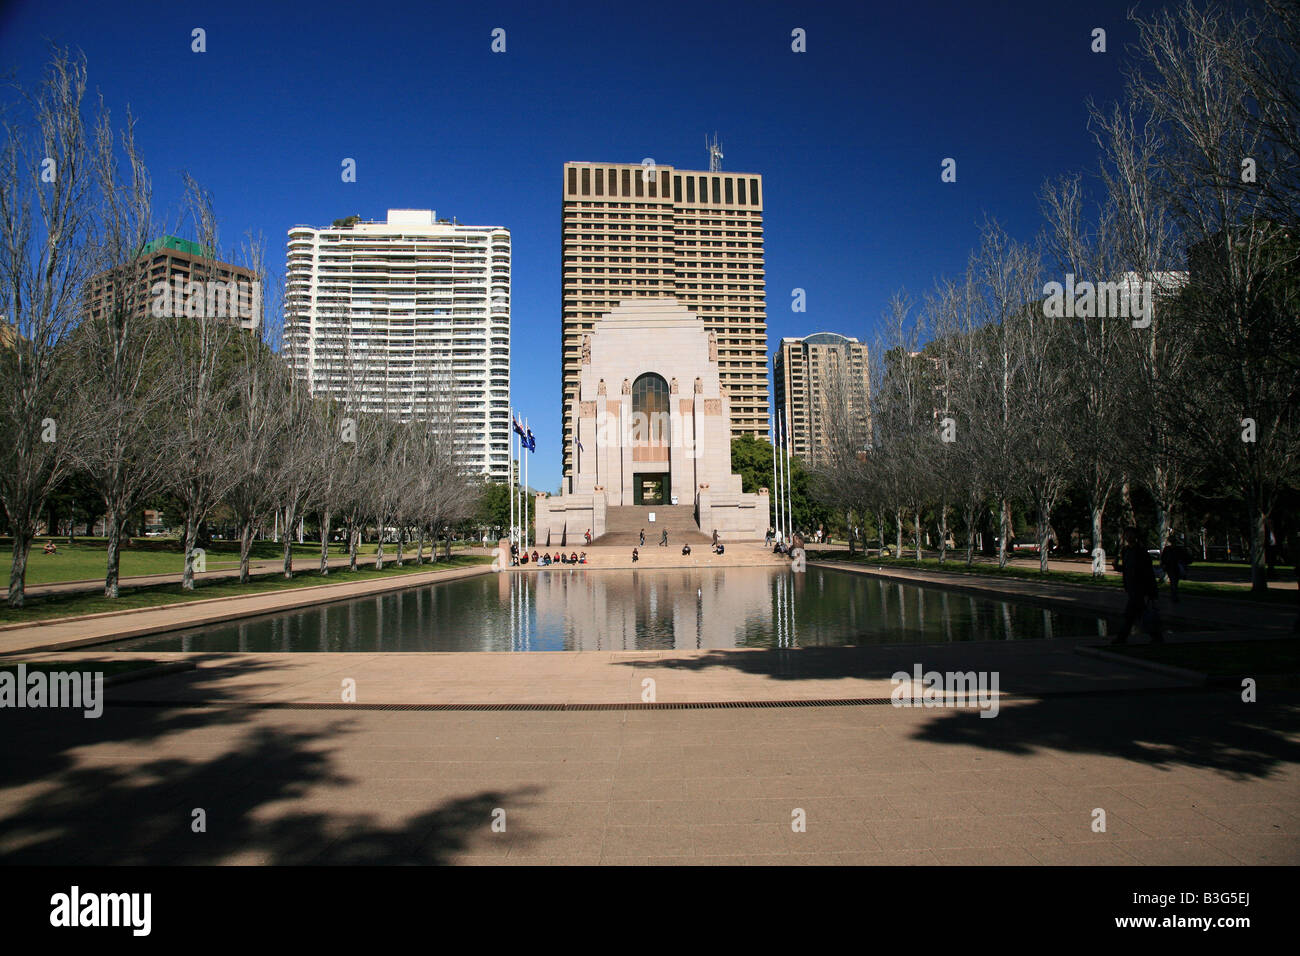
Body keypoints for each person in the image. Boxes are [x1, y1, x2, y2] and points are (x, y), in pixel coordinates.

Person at [1113, 527, 1162, 644]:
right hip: (1132, 588)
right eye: (1126, 535)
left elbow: (1147, 572)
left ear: (1135, 537)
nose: (1128, 537)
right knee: (1139, 614)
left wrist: (1151, 591)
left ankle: (1122, 638)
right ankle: (1156, 636)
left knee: (1130, 615)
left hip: (1139, 589)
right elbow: (1127, 569)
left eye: (1130, 535)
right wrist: (1117, 567)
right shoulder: (1126, 551)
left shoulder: (1140, 552)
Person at [1160, 535, 1191, 603]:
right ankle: (1174, 595)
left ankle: (1174, 595)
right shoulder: (1169, 549)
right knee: (1174, 582)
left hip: (1175, 568)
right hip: (1171, 568)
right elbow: (1164, 559)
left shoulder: (1175, 549)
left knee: (1174, 582)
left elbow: (1164, 558)